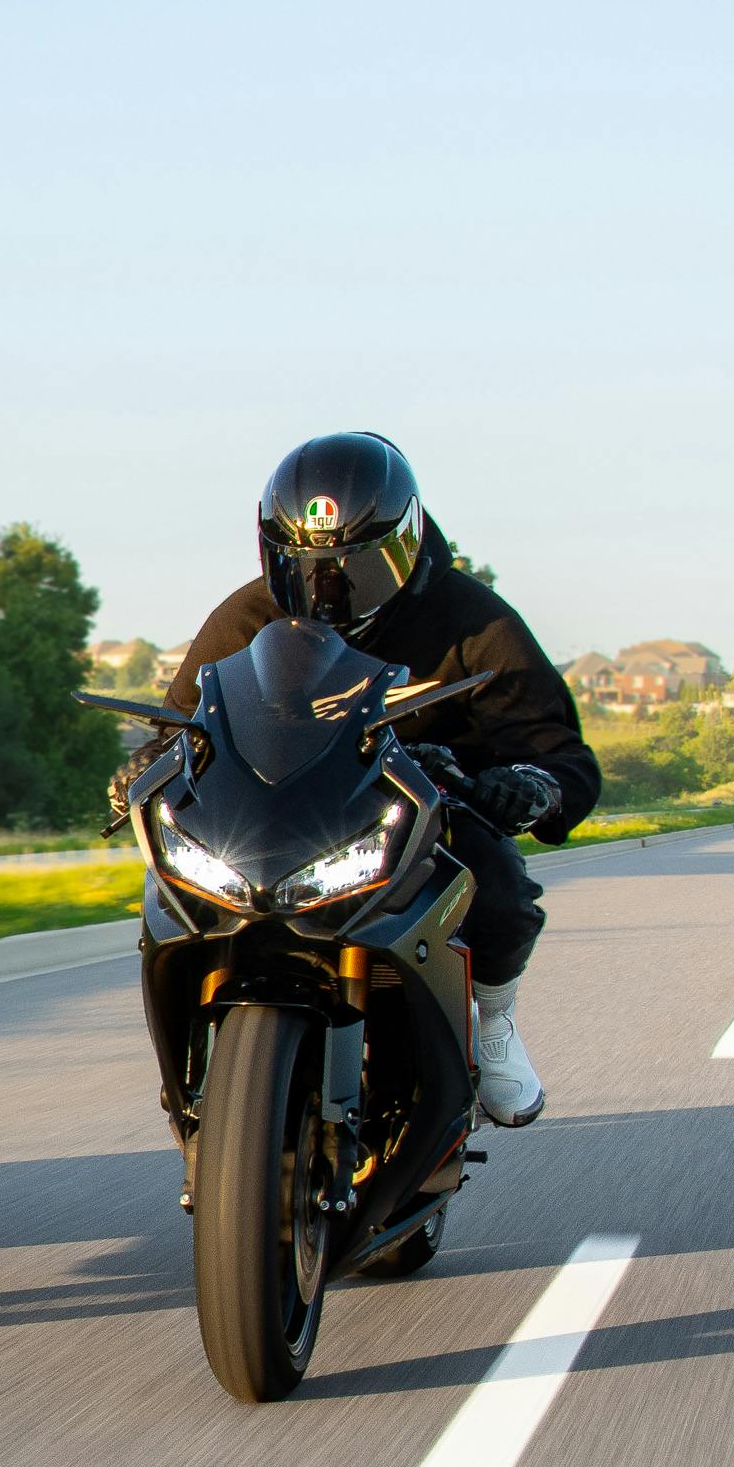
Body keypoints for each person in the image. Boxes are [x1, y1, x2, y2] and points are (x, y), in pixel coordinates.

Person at [147, 433, 600, 1126]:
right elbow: (182, 725)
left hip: (426, 814)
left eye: (354, 567)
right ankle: (196, 1061)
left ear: (405, 542)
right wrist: (147, 767)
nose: (327, 589)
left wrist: (532, 784)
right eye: (305, 565)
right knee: (170, 893)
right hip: (276, 820)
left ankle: (495, 1020)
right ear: (272, 550)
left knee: (498, 887)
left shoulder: (474, 619)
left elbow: (555, 748)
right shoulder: (246, 616)